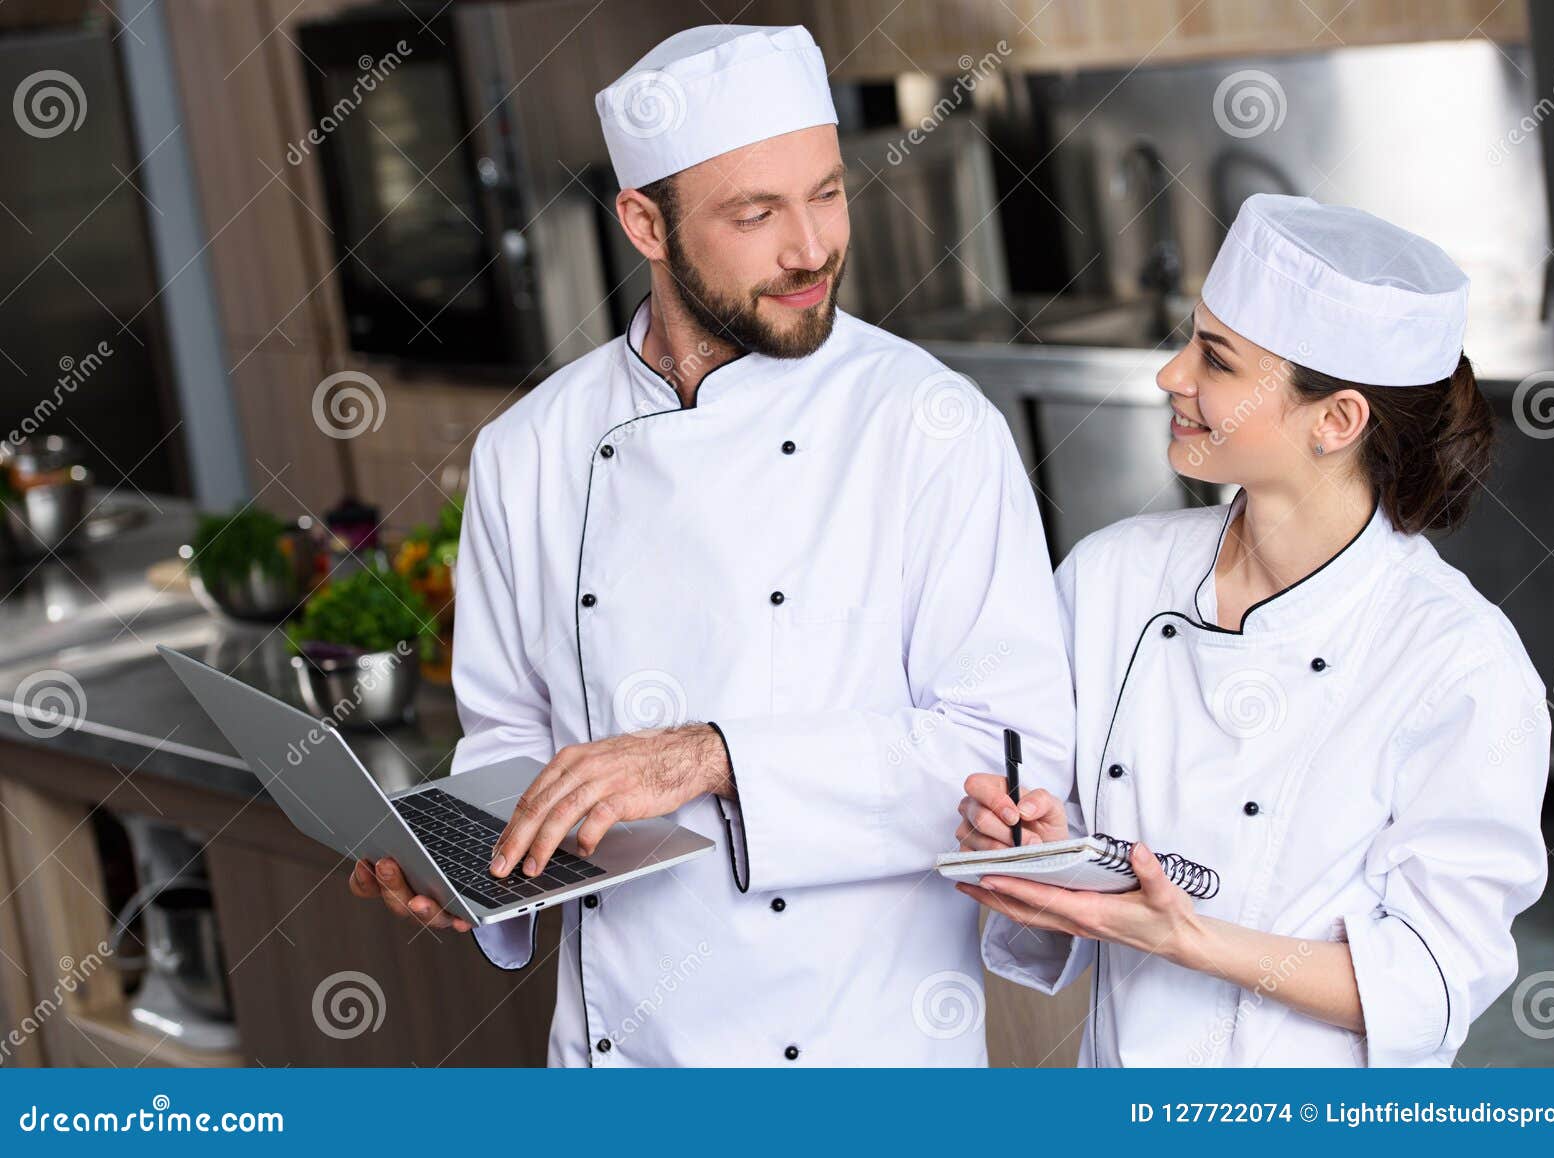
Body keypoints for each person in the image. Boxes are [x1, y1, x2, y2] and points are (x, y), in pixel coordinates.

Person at [348, 24, 1072, 1066]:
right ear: (644, 223)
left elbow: (1006, 761)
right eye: (755, 213)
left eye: (828, 191)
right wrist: (465, 864)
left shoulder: (928, 426)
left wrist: (715, 757)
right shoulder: (530, 449)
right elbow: (509, 741)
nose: (811, 247)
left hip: (851, 1054)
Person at [955, 193, 1551, 1067]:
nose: (1172, 376)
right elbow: (1067, 827)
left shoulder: (1457, 662)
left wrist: (1187, 938)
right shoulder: (1112, 576)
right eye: (1191, 340)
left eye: (1217, 360)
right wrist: (1035, 845)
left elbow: (1428, 985)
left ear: (1336, 421)